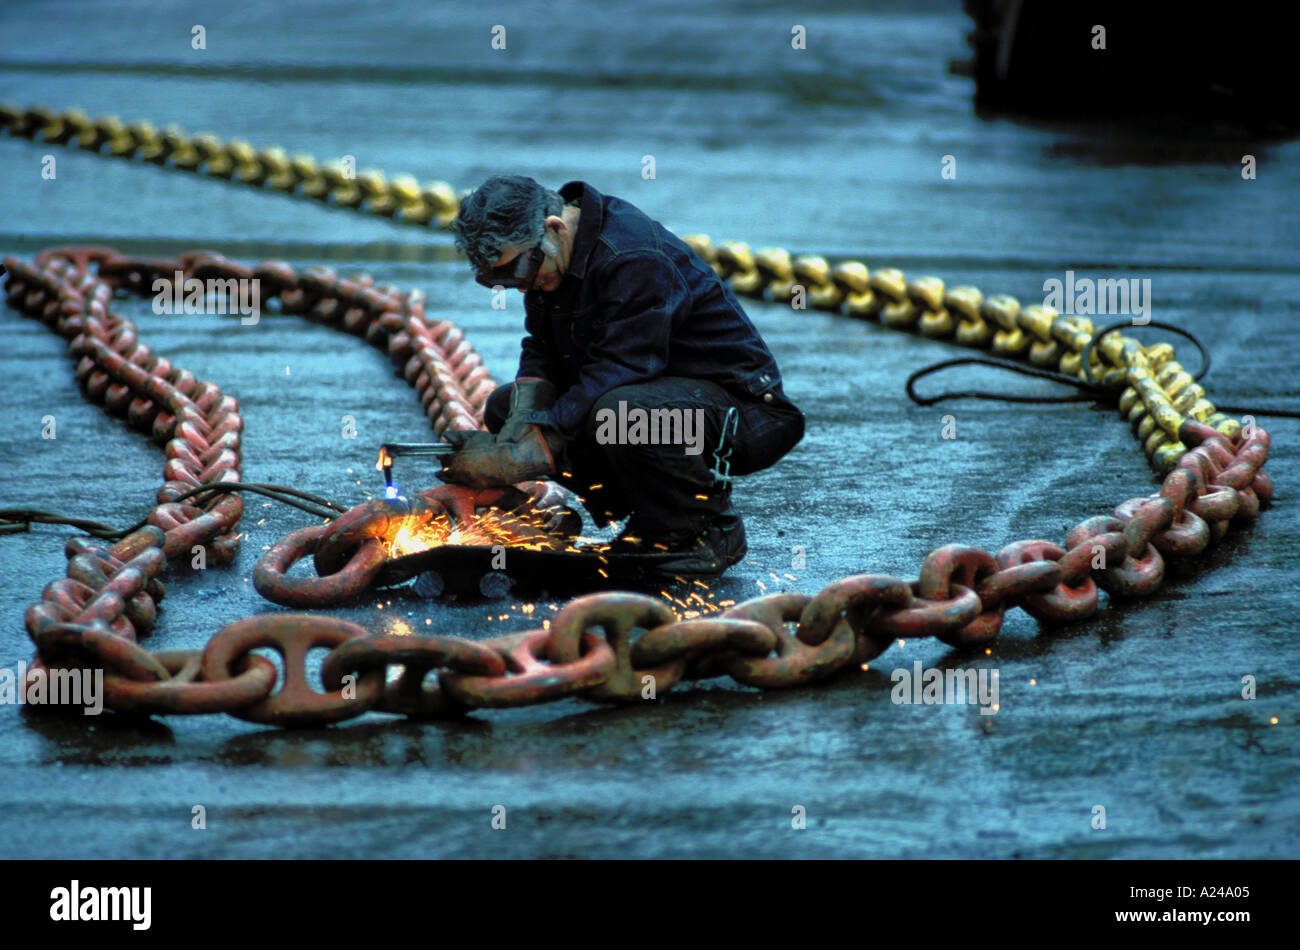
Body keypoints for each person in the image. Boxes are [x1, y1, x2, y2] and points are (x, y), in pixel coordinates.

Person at [443, 175, 804, 578]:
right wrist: (518, 426)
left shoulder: (632, 257)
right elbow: (541, 347)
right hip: (653, 399)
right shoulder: (552, 258)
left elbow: (620, 368)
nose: (521, 286)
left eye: (519, 269)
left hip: (743, 414)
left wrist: (530, 452)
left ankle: (705, 529)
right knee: (505, 405)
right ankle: (654, 522)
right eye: (502, 279)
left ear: (554, 228)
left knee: (620, 414)